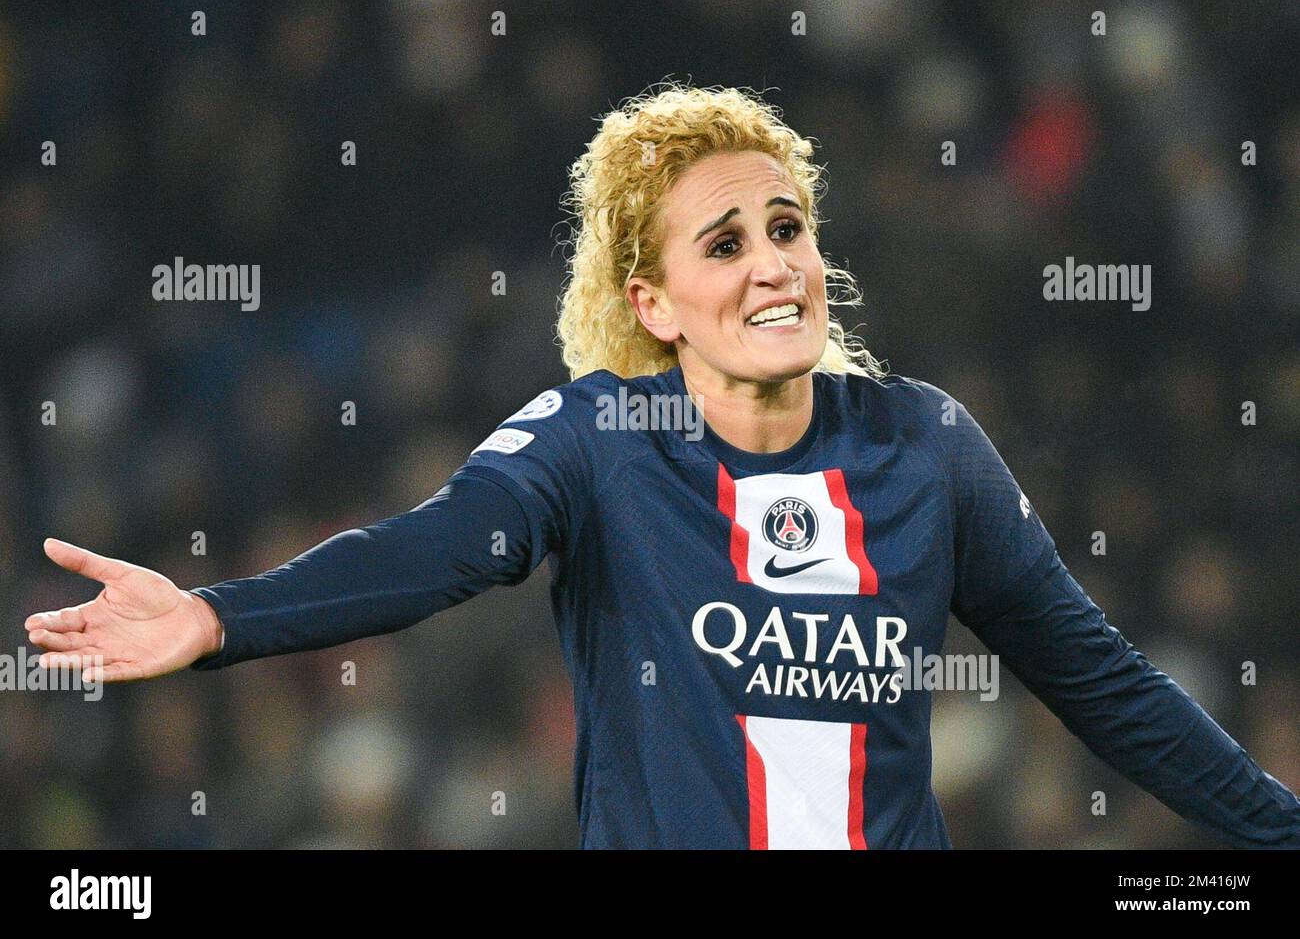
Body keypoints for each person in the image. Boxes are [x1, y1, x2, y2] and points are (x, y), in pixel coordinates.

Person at [25, 83, 1300, 849]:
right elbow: (436, 547)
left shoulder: (926, 446)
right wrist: (215, 613)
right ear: (654, 301)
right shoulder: (599, 440)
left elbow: (1104, 685)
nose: (774, 263)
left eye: (788, 226)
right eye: (726, 240)